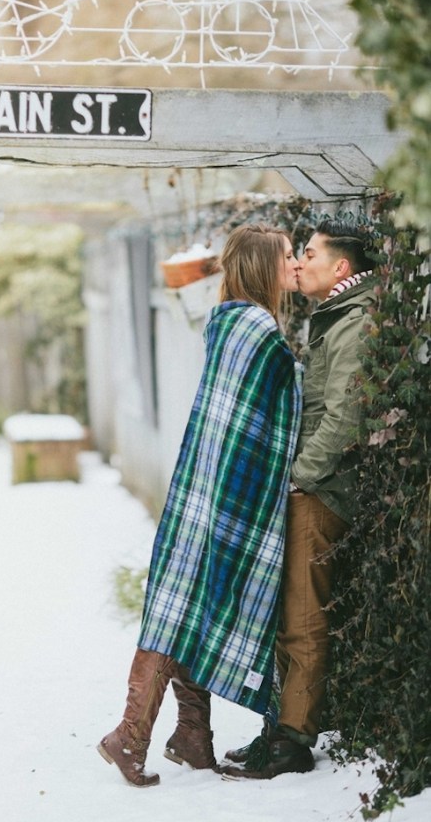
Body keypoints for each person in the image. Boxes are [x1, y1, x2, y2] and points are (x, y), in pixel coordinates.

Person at [97, 223, 303, 787]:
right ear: (265, 266)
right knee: (188, 604)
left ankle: (191, 736)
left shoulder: (227, 321)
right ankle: (129, 737)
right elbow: (272, 420)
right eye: (287, 255)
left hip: (202, 486)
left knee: (187, 601)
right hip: (230, 494)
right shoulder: (259, 331)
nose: (296, 263)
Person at [219, 218, 377, 780]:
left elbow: (344, 417)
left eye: (309, 253)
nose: (299, 262)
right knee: (287, 613)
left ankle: (293, 742)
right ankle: (280, 727)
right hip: (307, 488)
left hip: (319, 491)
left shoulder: (354, 321)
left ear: (341, 267)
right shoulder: (332, 317)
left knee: (303, 619)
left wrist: (299, 475)